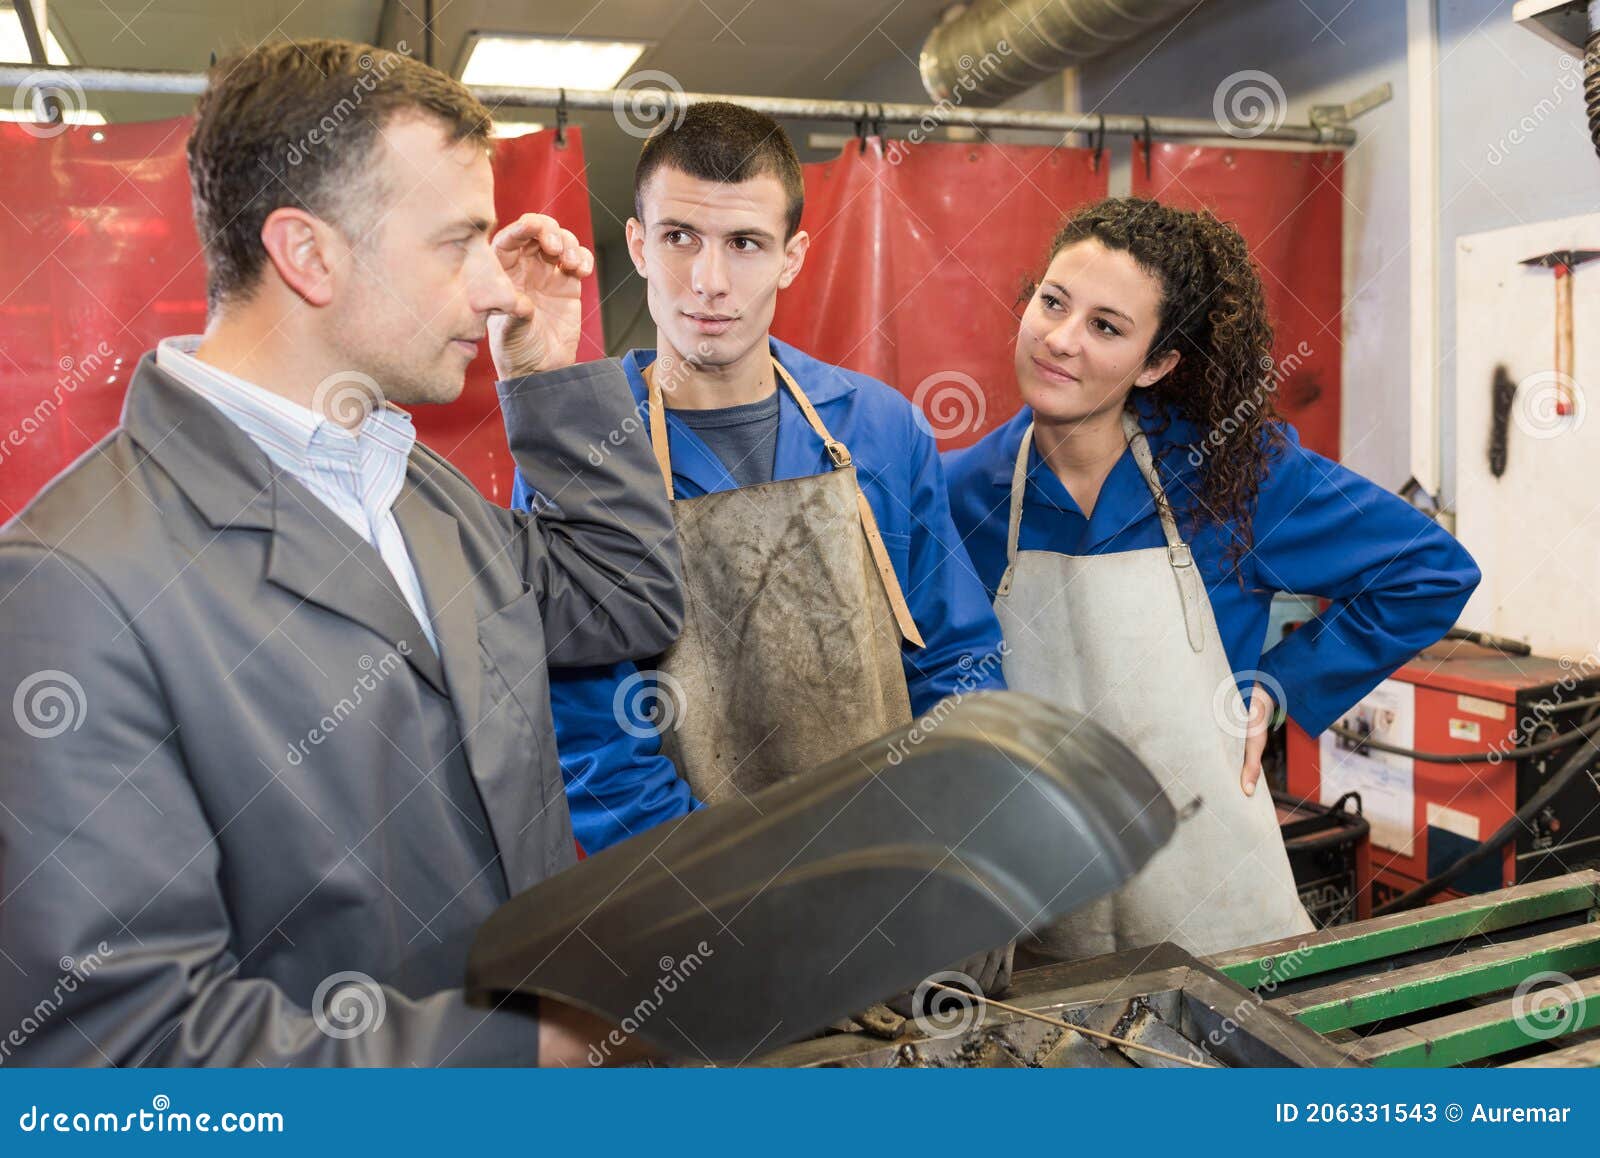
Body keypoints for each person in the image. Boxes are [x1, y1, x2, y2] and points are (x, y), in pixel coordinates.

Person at [0, 40, 682, 1066]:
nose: (496, 290)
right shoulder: (70, 585)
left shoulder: (414, 489)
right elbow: (117, 1057)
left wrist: (548, 377)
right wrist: (517, 1051)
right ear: (307, 254)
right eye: (458, 245)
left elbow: (625, 599)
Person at [943, 197, 1480, 963]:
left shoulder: (1233, 477)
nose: (1059, 341)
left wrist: (1280, 684)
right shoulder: (963, 493)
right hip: (1041, 915)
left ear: (1158, 363)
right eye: (1052, 302)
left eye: (1106, 326)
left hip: (1218, 913)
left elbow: (1428, 571)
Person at [514, 103, 1007, 855]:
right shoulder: (580, 449)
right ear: (639, 245)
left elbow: (954, 656)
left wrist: (943, 835)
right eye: (681, 238)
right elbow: (587, 734)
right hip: (686, 896)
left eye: (745, 242)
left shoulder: (879, 428)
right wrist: (727, 890)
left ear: (793, 256)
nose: (710, 282)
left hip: (894, 869)